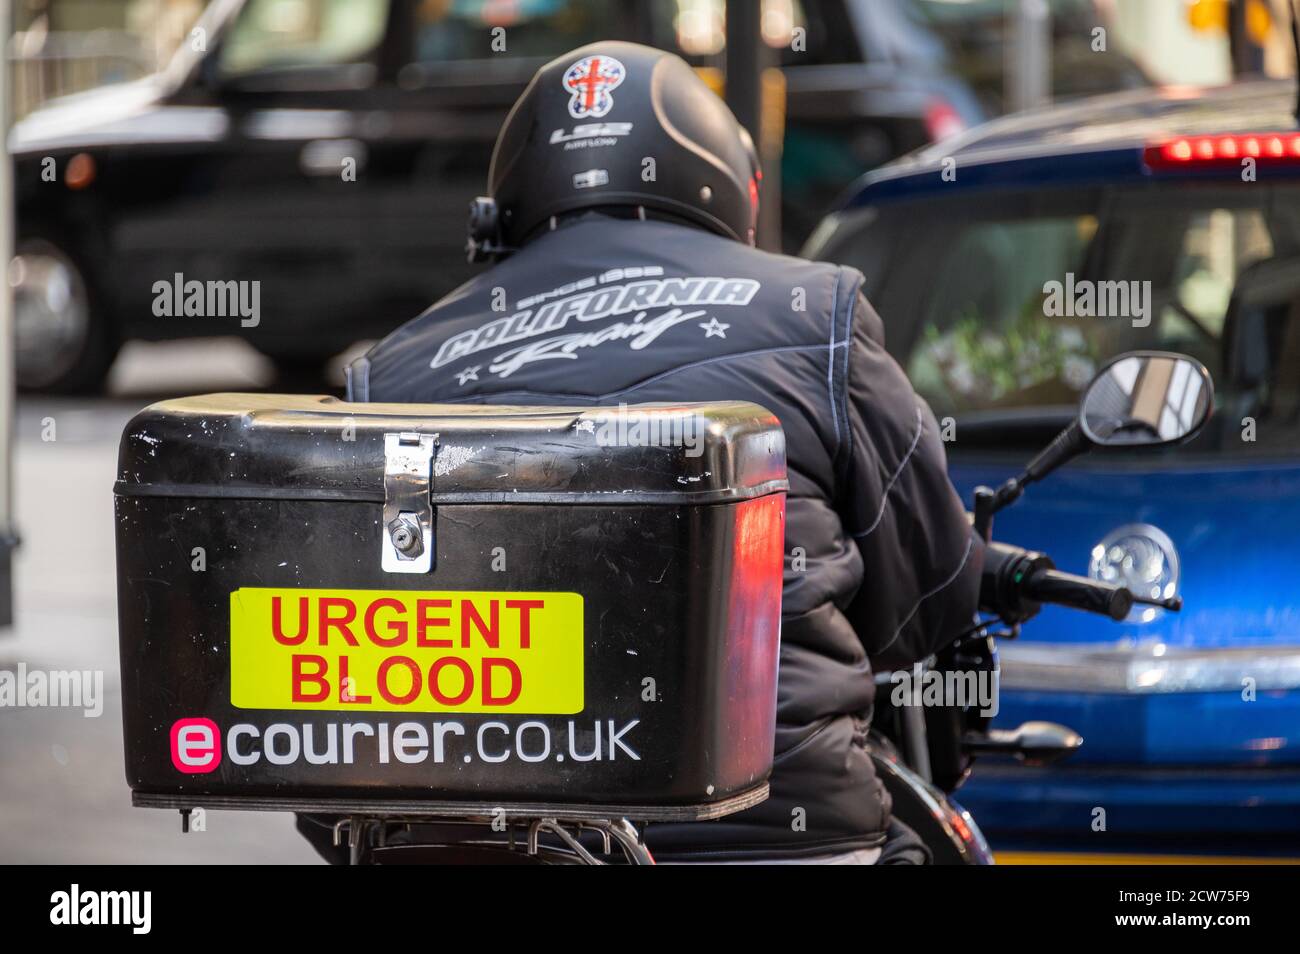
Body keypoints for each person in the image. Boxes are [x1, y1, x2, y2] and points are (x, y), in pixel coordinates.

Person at [345, 41, 983, 863]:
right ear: (722, 175)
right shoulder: (816, 312)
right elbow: (928, 597)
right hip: (780, 835)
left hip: (477, 840)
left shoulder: (394, 369)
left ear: (505, 201)